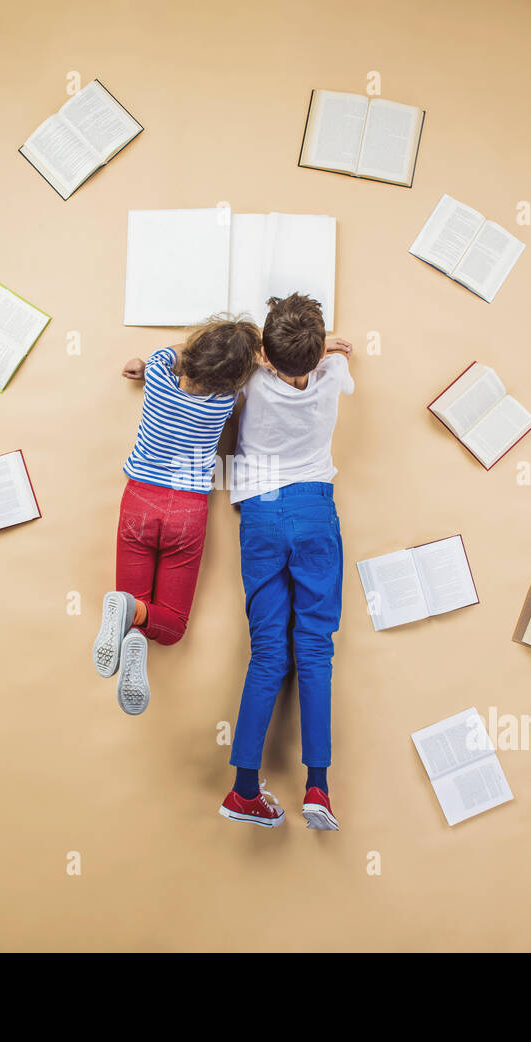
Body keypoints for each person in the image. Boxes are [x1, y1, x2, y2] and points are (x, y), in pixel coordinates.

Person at [217, 293, 354, 830]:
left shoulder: (248, 380)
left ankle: (243, 788)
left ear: (266, 356)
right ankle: (317, 786)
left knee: (268, 651)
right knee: (315, 649)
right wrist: (322, 351)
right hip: (314, 509)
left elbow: (245, 362)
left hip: (261, 514)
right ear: (318, 350)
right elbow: (329, 359)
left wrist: (263, 358)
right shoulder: (334, 373)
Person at [92, 318, 260, 715]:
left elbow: (172, 354)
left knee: (137, 600)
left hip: (139, 501)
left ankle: (130, 611)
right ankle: (134, 617)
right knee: (172, 627)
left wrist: (151, 360)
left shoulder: (157, 378)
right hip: (187, 510)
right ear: (233, 379)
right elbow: (240, 376)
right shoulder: (224, 403)